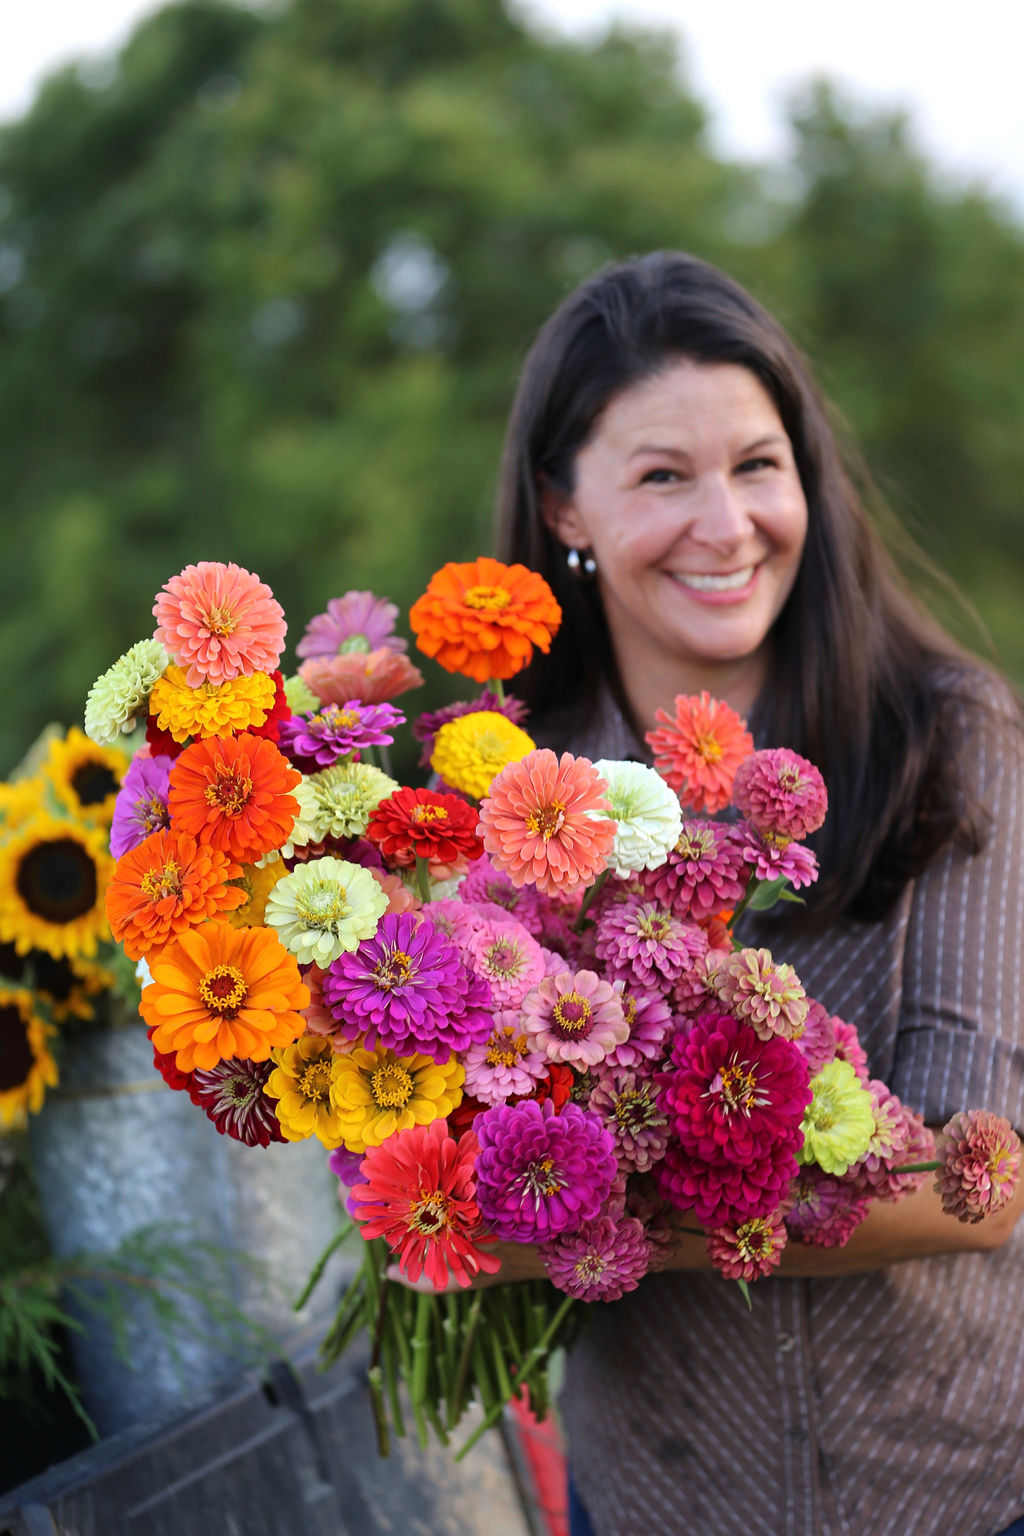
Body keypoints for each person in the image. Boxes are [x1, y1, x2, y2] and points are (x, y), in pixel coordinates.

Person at [477, 253, 1024, 1536]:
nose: (725, 527)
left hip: (961, 1496)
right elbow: (444, 1179)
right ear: (565, 506)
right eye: (663, 476)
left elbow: (979, 1179)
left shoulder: (947, 737)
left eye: (756, 465)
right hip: (657, 1501)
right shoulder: (509, 790)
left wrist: (593, 1224)